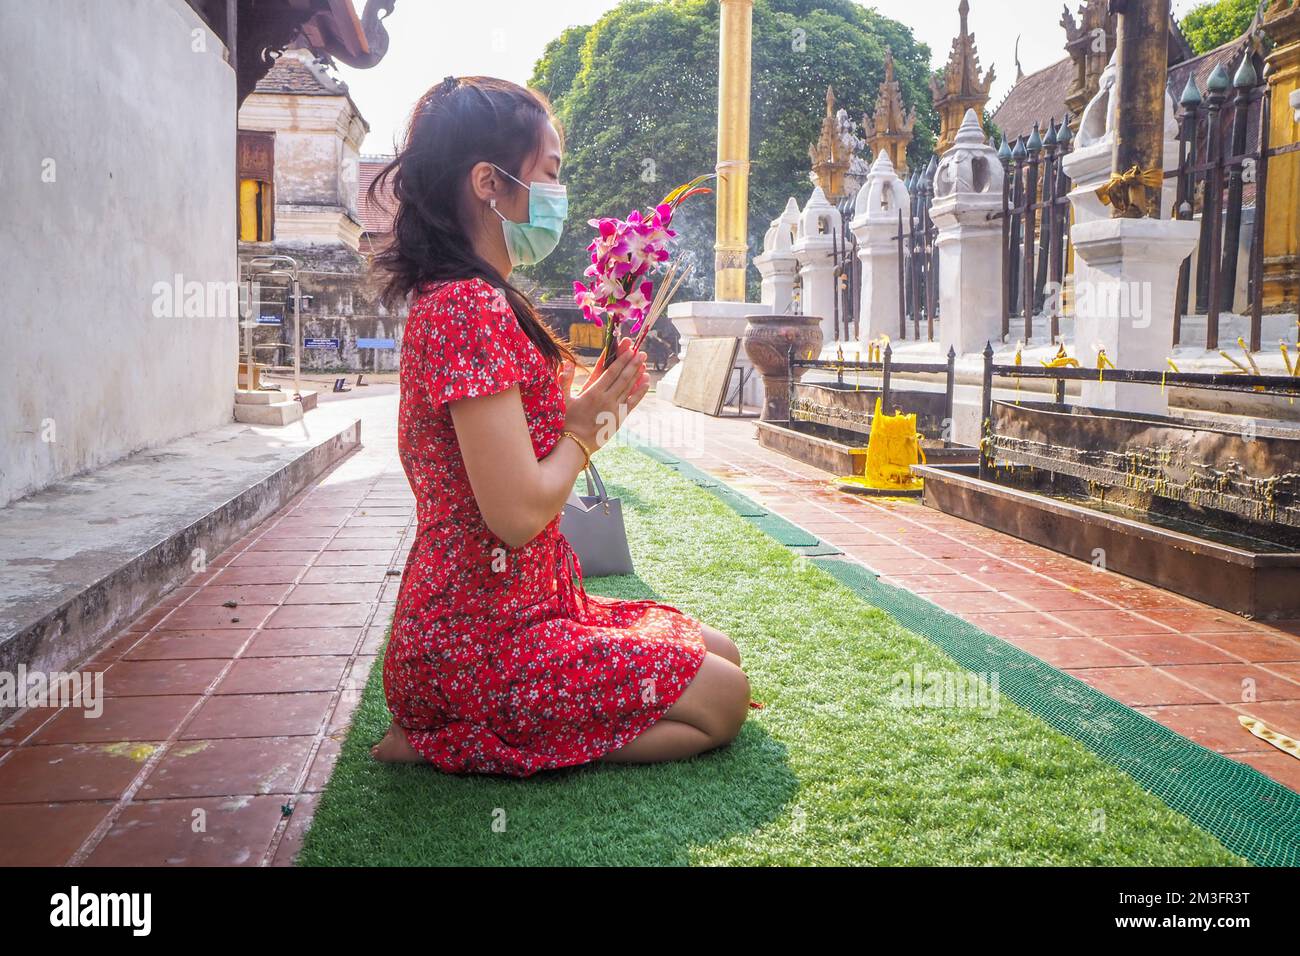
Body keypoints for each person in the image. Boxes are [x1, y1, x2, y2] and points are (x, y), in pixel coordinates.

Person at [366, 75, 750, 776]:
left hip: (530, 600)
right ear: (490, 182)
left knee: (717, 649)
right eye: (549, 173)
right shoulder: (466, 307)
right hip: (479, 637)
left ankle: (457, 724)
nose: (557, 195)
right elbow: (514, 513)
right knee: (723, 699)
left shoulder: (484, 299)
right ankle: (447, 733)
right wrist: (584, 431)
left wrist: (597, 407)